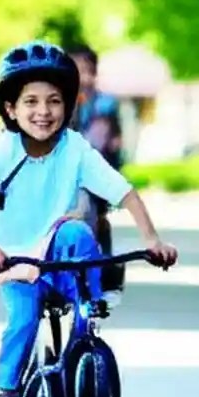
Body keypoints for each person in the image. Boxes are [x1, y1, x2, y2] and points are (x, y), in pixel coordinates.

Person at [0, 40, 178, 397]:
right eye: (31, 102)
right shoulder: (1, 151)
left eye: (54, 101)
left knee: (77, 230)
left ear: (70, 105)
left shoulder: (75, 148)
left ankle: (86, 320)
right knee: (23, 320)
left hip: (60, 257)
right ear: (10, 108)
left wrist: (151, 238)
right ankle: (3, 396)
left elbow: (122, 190)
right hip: (18, 263)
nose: (43, 112)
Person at [66, 43, 127, 292]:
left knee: (98, 218)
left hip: (98, 167)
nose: (82, 76)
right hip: (67, 170)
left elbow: (113, 140)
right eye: (76, 69)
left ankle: (105, 266)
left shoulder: (105, 103)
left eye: (86, 69)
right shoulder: (60, 101)